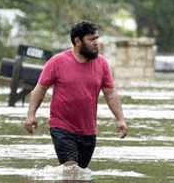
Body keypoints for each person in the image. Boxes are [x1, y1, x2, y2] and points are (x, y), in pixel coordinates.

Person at [23, 20, 128, 169]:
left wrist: (120, 119)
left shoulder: (102, 64)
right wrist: (31, 114)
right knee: (71, 168)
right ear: (78, 41)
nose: (96, 43)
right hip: (61, 126)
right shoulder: (57, 62)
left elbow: (110, 94)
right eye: (91, 39)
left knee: (81, 172)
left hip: (88, 130)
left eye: (96, 38)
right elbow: (40, 90)